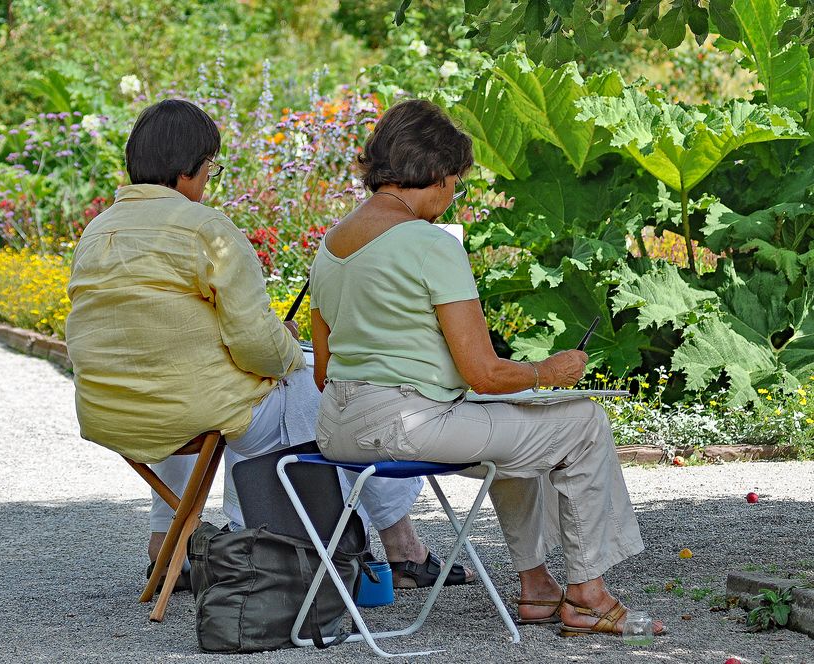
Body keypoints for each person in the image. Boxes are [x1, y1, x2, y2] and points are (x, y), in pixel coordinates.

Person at [65, 99, 473, 591]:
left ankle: (168, 549)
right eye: (210, 169)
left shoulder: (97, 230)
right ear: (192, 169)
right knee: (324, 390)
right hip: (189, 410)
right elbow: (258, 345)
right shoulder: (204, 230)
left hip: (111, 410)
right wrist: (286, 346)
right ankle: (357, 549)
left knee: (191, 390)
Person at [308, 99, 665, 637]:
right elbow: (484, 373)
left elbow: (323, 370)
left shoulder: (331, 244)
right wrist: (550, 371)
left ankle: (539, 587)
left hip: (339, 428)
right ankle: (587, 595)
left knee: (516, 427)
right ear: (437, 174)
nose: (453, 196)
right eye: (456, 181)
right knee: (583, 423)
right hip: (407, 426)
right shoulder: (429, 244)